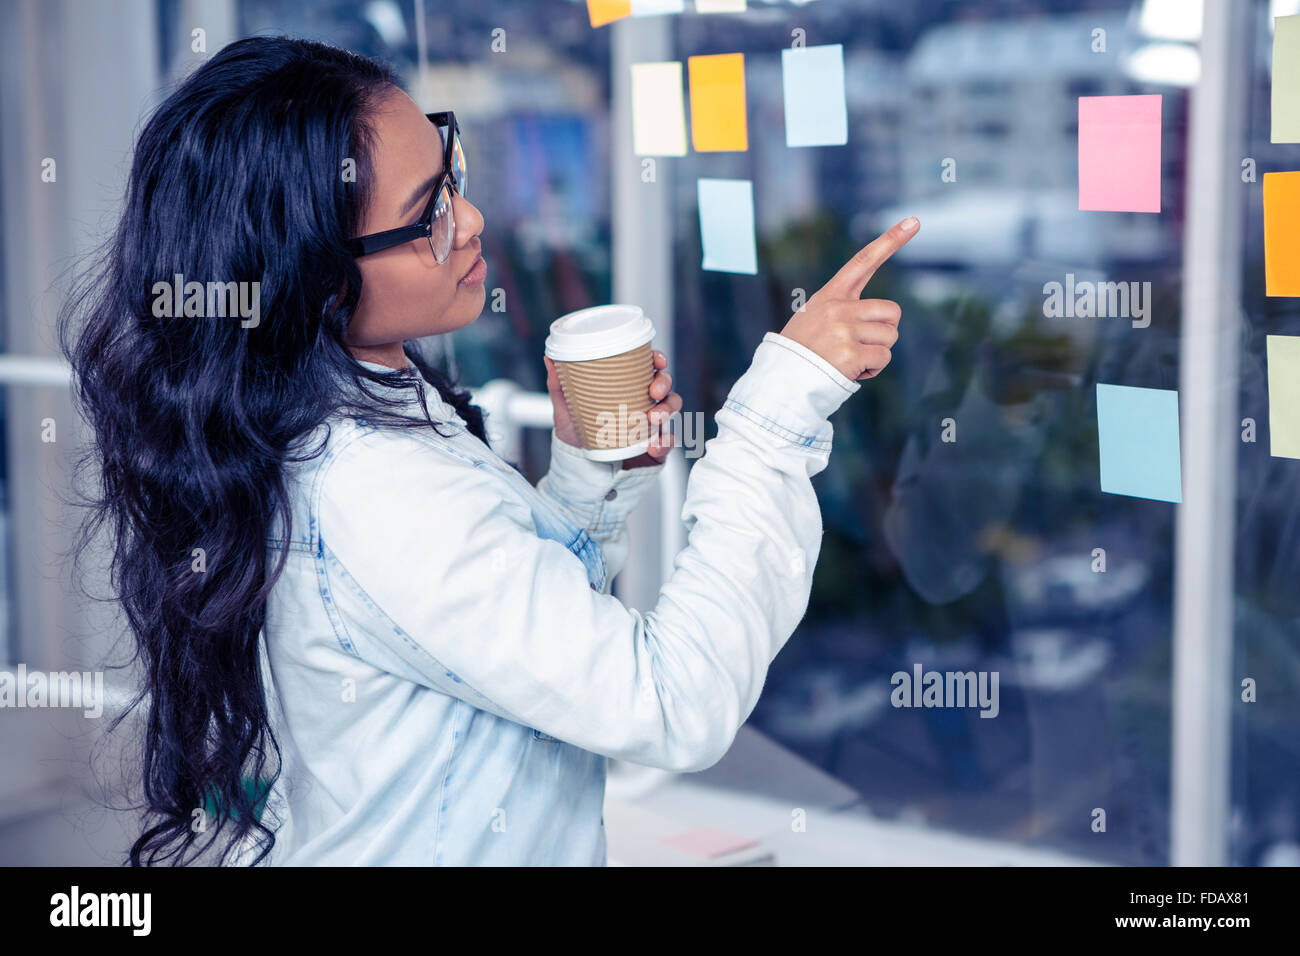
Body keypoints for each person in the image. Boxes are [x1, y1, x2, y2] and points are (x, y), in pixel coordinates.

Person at [59, 34, 916, 866]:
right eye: (424, 214)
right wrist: (776, 410)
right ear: (313, 277)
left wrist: (587, 481)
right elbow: (670, 701)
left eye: (450, 173)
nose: (468, 221)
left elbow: (490, 638)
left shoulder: (327, 409)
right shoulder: (376, 488)